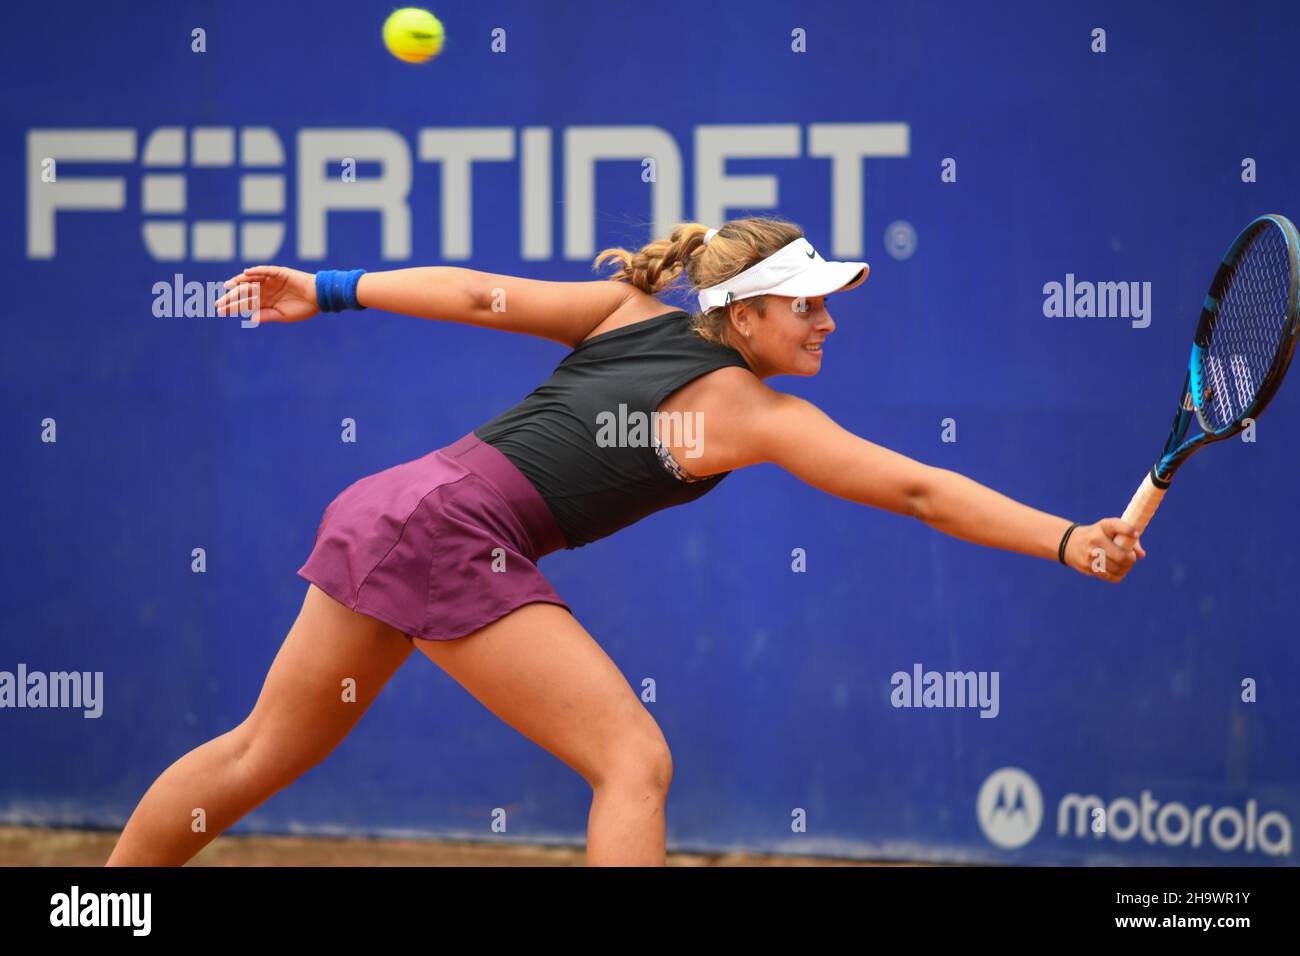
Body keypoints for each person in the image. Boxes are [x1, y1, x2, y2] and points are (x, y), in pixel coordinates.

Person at [106, 216, 1144, 867]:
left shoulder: (621, 309)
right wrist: (1065, 540)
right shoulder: (755, 414)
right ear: (743, 315)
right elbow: (921, 490)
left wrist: (331, 287)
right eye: (808, 303)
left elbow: (480, 295)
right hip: (453, 530)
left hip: (392, 506)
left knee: (259, 749)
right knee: (633, 760)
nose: (827, 319)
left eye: (830, 302)